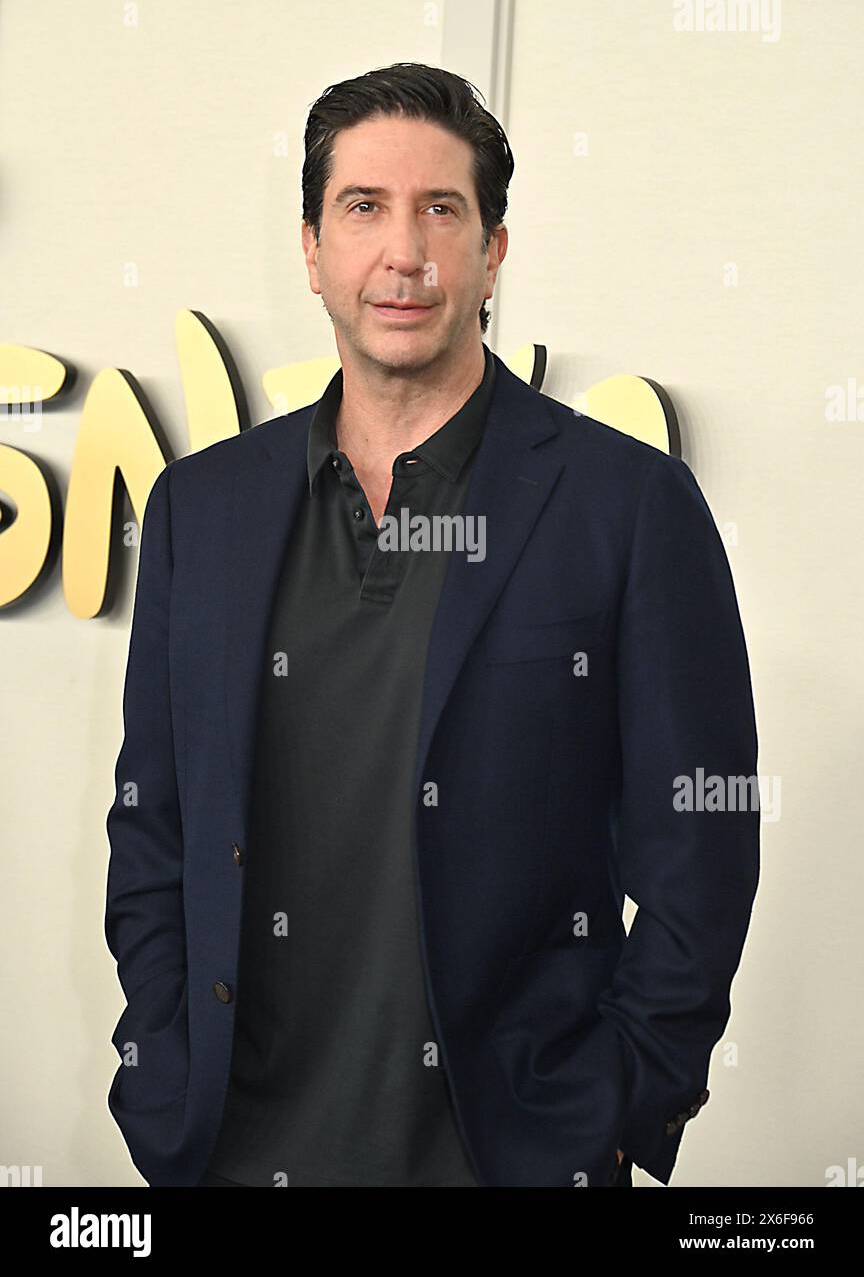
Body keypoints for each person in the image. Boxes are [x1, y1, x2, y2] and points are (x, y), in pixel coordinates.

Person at [104, 62, 760, 1188]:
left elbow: (702, 849)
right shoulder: (197, 512)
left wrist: (616, 1102)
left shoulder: (627, 505)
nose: (403, 252)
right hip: (234, 1149)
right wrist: (162, 1067)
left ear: (493, 250)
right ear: (310, 248)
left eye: (441, 210)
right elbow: (153, 825)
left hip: (504, 1155)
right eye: (363, 207)